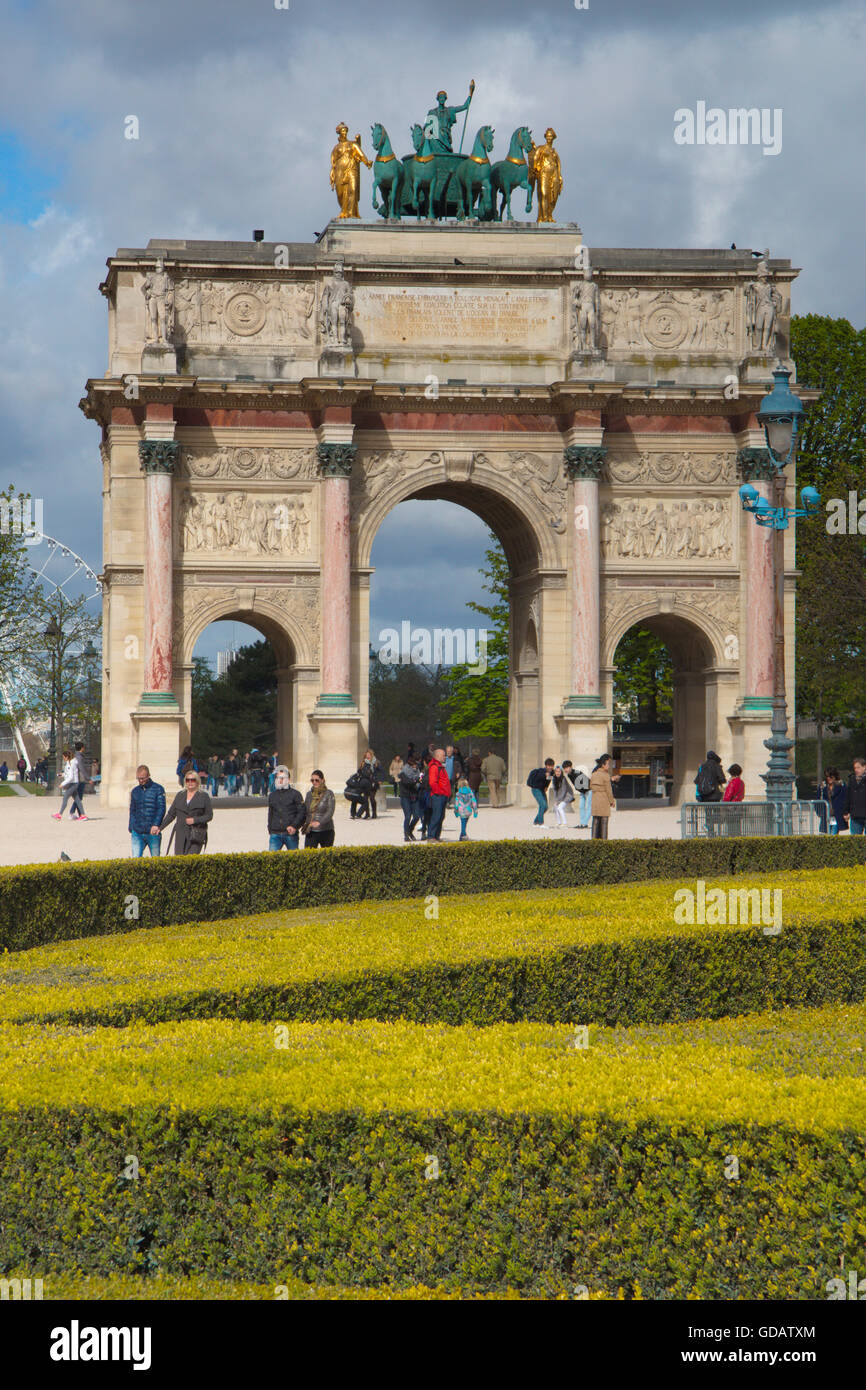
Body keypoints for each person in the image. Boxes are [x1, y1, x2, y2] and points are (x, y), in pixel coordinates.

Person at [161, 768, 213, 854]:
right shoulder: (180, 795)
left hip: (195, 835)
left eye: (193, 780)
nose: (190, 782)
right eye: (188, 780)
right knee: (179, 862)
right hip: (180, 834)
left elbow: (209, 815)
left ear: (197, 781)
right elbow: (171, 814)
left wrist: (195, 820)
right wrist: (160, 827)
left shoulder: (204, 796)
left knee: (191, 862)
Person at [128, 765, 166, 857]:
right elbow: (132, 810)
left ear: (149, 775)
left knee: (156, 861)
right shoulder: (135, 791)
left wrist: (156, 824)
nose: (141, 781)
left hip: (152, 831)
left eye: (143, 778)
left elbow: (161, 808)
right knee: (135, 860)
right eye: (138, 778)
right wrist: (131, 826)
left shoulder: (158, 789)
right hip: (137, 831)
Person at [267, 766, 305, 850]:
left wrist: (294, 826)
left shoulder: (296, 794)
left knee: (294, 859)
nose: (279, 780)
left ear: (288, 779)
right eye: (277, 778)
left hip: (290, 833)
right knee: (271, 860)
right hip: (275, 833)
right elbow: (271, 813)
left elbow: (302, 812)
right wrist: (270, 828)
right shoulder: (272, 795)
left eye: (282, 778)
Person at [303, 770, 335, 848]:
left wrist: (320, 822)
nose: (314, 782)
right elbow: (306, 811)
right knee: (308, 856)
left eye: (317, 780)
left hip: (326, 830)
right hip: (311, 830)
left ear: (322, 780)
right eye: (312, 780)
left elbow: (330, 811)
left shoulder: (329, 794)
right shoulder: (309, 794)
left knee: (327, 857)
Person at [52, 749, 86, 821]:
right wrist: (63, 775)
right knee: (77, 800)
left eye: (64, 757)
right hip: (75, 783)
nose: (63, 758)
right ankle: (83, 815)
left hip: (72, 784)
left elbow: (70, 777)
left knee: (65, 798)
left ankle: (59, 814)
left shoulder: (70, 764)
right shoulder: (71, 763)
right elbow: (70, 774)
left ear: (67, 757)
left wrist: (62, 784)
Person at [426, 748, 451, 841]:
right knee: (436, 816)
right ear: (437, 756)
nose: (445, 757)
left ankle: (436, 836)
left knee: (441, 816)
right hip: (438, 795)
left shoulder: (439, 766)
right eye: (443, 755)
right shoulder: (434, 766)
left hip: (443, 795)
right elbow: (433, 782)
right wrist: (439, 792)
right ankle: (431, 836)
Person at [589, 754, 616, 839]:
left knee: (595, 821)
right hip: (604, 800)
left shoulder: (593, 774)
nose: (609, 766)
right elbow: (609, 790)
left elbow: (590, 786)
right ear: (603, 765)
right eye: (608, 764)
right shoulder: (606, 775)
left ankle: (593, 840)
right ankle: (604, 841)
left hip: (595, 800)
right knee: (604, 821)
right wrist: (612, 801)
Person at [398, 755, 422, 841]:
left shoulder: (418, 771)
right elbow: (408, 782)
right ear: (410, 764)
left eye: (417, 765)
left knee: (416, 816)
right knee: (408, 816)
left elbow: (420, 781)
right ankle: (406, 835)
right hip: (405, 796)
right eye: (414, 765)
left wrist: (418, 781)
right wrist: (416, 781)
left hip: (414, 796)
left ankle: (410, 830)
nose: (416, 767)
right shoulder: (404, 772)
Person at [818, 766, 848, 835]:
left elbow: (846, 798)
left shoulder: (842, 785)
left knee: (833, 834)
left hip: (837, 814)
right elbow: (818, 799)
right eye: (827, 776)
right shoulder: (822, 786)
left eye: (831, 776)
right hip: (826, 815)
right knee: (825, 834)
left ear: (835, 776)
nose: (829, 778)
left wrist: (846, 812)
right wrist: (819, 812)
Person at [563, 760, 592, 828]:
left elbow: (585, 780)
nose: (565, 769)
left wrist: (586, 789)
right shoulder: (569, 775)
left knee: (588, 807)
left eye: (567, 767)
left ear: (571, 767)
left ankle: (584, 823)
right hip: (582, 791)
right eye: (564, 768)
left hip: (588, 790)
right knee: (581, 807)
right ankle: (582, 823)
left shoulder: (576, 772)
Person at [527, 759, 555, 826]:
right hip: (536, 789)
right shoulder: (541, 771)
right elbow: (537, 780)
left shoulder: (551, 772)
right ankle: (541, 823)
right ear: (546, 766)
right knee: (542, 805)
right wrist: (543, 775)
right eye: (549, 766)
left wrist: (546, 787)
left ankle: (536, 822)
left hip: (542, 790)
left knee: (545, 807)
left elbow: (548, 780)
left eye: (552, 766)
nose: (550, 767)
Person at [453, 776, 478, 841]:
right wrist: (475, 810)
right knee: (465, 823)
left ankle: (463, 835)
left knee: (463, 823)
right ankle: (461, 836)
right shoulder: (470, 792)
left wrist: (455, 811)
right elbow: (474, 801)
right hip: (468, 810)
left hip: (461, 811)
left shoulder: (458, 794)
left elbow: (456, 804)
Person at [846, 757, 866, 835]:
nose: (856, 770)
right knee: (855, 841)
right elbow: (848, 796)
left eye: (858, 767)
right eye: (855, 768)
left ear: (864, 767)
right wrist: (846, 811)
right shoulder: (852, 780)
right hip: (855, 815)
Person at [551, 764, 574, 828]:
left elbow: (564, 791)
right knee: (555, 806)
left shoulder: (563, 779)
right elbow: (555, 790)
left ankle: (564, 823)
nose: (557, 773)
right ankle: (558, 822)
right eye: (556, 771)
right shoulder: (554, 779)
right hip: (560, 796)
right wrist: (556, 800)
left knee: (560, 807)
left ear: (561, 772)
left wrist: (559, 800)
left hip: (568, 795)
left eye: (559, 771)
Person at [73, 741, 89, 805]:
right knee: (79, 797)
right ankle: (72, 812)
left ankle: (74, 812)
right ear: (82, 748)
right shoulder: (79, 757)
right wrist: (88, 778)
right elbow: (81, 768)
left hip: (77, 777)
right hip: (80, 778)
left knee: (78, 797)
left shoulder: (75, 756)